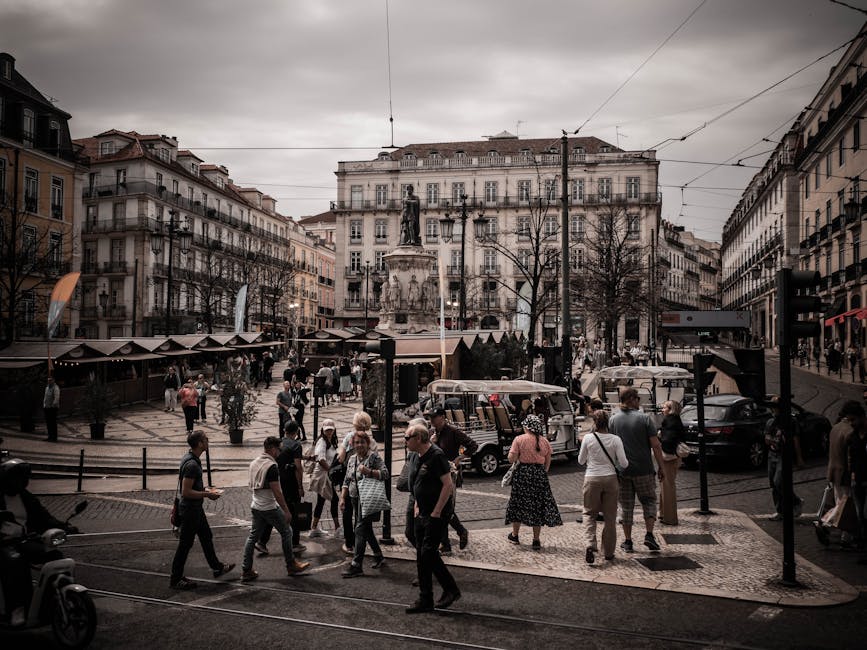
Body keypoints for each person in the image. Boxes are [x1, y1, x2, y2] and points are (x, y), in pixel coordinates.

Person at [0, 458, 76, 626]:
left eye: (23, 479)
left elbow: (42, 516)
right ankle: (17, 608)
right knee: (15, 562)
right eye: (17, 479)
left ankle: (50, 601)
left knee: (54, 555)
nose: (21, 483)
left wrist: (65, 526)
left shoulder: (25, 496)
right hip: (3, 544)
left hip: (23, 541)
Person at [404, 421, 461, 613]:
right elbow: (420, 482)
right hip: (422, 512)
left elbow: (447, 485)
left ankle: (451, 589)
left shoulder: (436, 456)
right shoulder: (418, 455)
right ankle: (425, 598)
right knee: (422, 555)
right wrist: (418, 505)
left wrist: (436, 512)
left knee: (428, 552)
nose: (405, 441)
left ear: (419, 438)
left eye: (407, 437)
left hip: (436, 514)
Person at [169, 432, 235, 589]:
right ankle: (176, 578)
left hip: (195, 509)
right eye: (206, 439)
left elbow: (190, 487)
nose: (208, 441)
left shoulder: (189, 458)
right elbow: (186, 492)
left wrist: (205, 489)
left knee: (206, 536)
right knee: (185, 544)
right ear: (199, 443)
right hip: (191, 510)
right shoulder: (192, 465)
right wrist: (207, 494)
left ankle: (217, 567)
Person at [240, 437, 310, 581]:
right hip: (269, 507)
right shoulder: (271, 466)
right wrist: (286, 510)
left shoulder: (254, 462)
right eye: (279, 449)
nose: (279, 452)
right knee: (287, 532)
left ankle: (246, 569)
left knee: (253, 537)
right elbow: (277, 492)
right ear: (272, 449)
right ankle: (291, 565)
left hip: (256, 505)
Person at [610, 387, 665, 553]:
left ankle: (628, 541)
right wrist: (661, 467)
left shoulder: (613, 420)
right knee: (648, 501)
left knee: (626, 506)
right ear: (633, 399)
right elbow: (655, 445)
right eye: (638, 399)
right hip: (644, 469)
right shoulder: (645, 419)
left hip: (622, 470)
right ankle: (649, 535)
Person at [504, 414, 562, 549]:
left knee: (517, 503)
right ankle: (536, 540)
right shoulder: (544, 441)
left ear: (527, 427)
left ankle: (515, 535)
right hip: (539, 474)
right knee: (537, 506)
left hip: (523, 474)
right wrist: (542, 472)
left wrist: (514, 455)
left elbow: (511, 459)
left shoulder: (519, 439)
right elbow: (548, 461)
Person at [578, 410, 628, 563]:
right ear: (608, 423)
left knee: (589, 514)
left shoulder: (588, 438)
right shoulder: (616, 439)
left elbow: (581, 461)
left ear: (594, 422)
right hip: (610, 479)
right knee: (610, 517)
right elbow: (624, 463)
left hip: (592, 478)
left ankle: (590, 544)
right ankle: (608, 552)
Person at [428, 406, 478, 552]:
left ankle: (457, 534)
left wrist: (459, 458)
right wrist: (432, 442)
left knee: (445, 508)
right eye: (430, 417)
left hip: (449, 474)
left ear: (442, 417)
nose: (431, 420)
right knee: (441, 507)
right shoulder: (432, 433)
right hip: (435, 475)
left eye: (434, 417)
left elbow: (473, 445)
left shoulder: (453, 432)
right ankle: (447, 543)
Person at [339, 430, 387, 578]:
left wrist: (369, 471)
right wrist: (342, 498)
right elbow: (347, 480)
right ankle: (378, 555)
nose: (359, 445)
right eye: (357, 442)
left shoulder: (373, 458)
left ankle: (356, 565)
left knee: (359, 528)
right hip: (354, 498)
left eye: (362, 442)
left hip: (368, 498)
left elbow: (385, 473)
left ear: (367, 443)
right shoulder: (352, 459)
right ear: (352, 444)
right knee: (366, 528)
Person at [257, 420, 306, 555]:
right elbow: (298, 467)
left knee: (275, 510)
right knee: (294, 511)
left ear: (284, 430)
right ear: (296, 432)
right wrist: (300, 486)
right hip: (290, 483)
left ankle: (262, 541)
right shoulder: (296, 445)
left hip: (276, 481)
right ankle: (295, 543)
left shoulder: (279, 444)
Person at [338, 411, 376, 554]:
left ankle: (349, 543)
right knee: (360, 515)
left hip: (350, 479)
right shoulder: (371, 441)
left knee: (347, 511)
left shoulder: (350, 437)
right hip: (365, 482)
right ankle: (359, 541)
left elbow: (341, 457)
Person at [826, 401, 863, 543]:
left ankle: (838, 530)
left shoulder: (835, 428)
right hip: (845, 474)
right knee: (847, 506)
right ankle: (843, 534)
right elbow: (849, 457)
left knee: (839, 503)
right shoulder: (849, 431)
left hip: (834, 472)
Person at [764, 396, 804, 521]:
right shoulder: (770, 422)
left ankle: (796, 501)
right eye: (772, 407)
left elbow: (796, 439)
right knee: (773, 484)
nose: (773, 409)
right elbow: (766, 438)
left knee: (779, 482)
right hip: (772, 455)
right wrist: (770, 440)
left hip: (784, 455)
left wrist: (799, 458)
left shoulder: (790, 421)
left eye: (775, 407)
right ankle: (780, 511)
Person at [308, 419, 341, 538]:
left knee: (321, 501)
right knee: (334, 499)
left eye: (331, 429)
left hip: (325, 475)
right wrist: (331, 470)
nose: (329, 432)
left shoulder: (330, 440)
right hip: (323, 475)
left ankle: (314, 528)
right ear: (322, 429)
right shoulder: (322, 442)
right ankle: (337, 528)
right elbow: (320, 459)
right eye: (327, 430)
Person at [658, 400, 685, 526]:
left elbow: (668, 440)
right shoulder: (676, 420)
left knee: (668, 486)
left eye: (664, 407)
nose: (662, 409)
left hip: (669, 457)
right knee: (665, 484)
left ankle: (670, 518)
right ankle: (663, 513)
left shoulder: (670, 420)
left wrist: (661, 441)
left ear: (670, 409)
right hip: (673, 456)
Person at [43, 376, 60, 442]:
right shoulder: (47, 388)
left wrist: (53, 405)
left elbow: (56, 398)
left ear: (53, 380)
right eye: (48, 380)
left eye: (50, 380)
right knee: (48, 423)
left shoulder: (56, 388)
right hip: (47, 408)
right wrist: (44, 405)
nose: (49, 382)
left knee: (53, 423)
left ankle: (54, 438)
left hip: (52, 408)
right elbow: (45, 397)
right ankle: (50, 436)